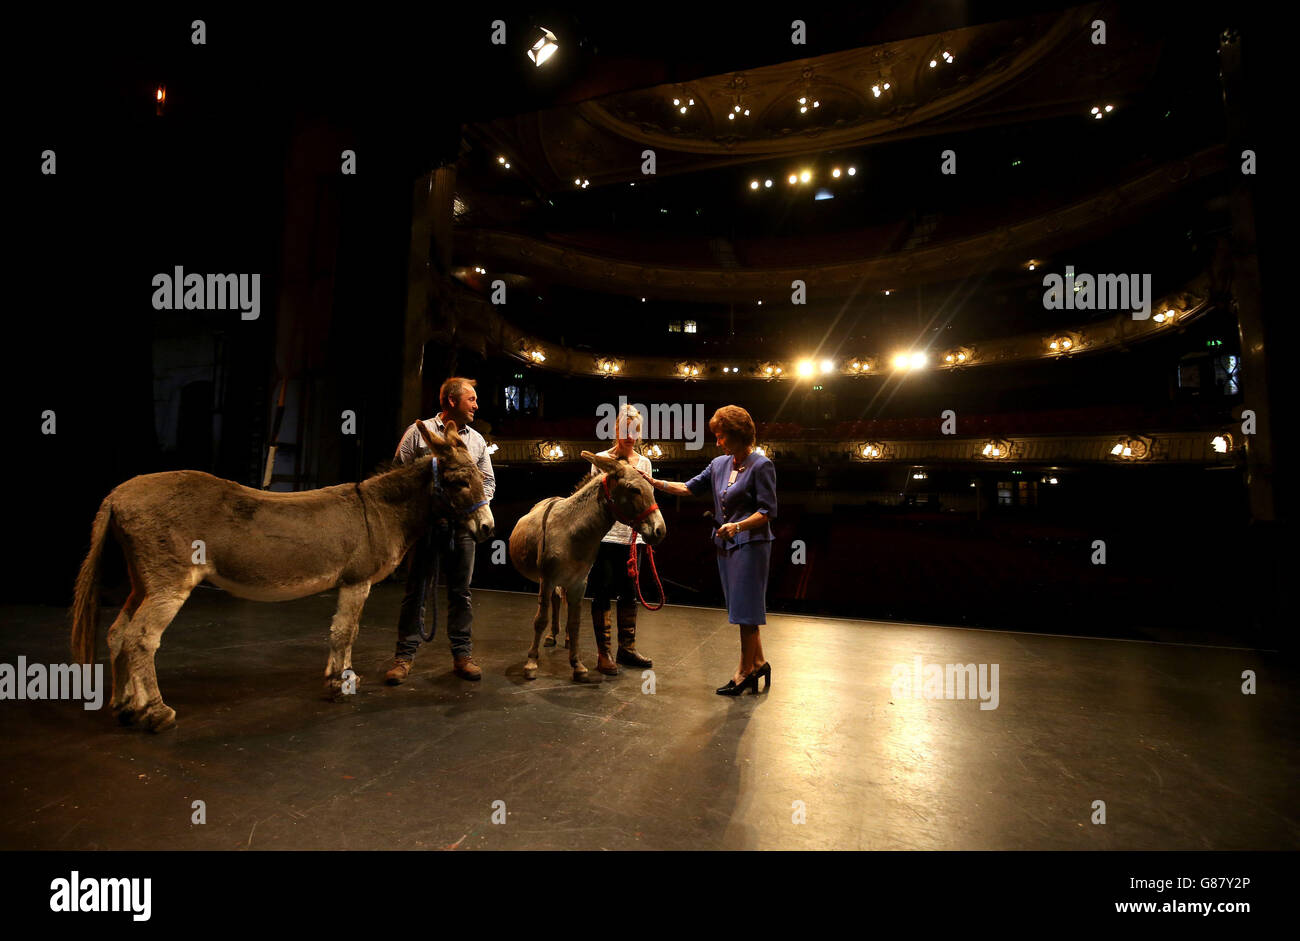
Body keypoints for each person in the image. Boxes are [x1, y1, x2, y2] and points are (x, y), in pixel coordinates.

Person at [642, 406, 775, 695]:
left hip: (752, 545)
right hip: (725, 545)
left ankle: (744, 672)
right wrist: (655, 483)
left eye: (721, 436)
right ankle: (760, 662)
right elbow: (689, 488)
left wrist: (737, 527)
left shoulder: (761, 465)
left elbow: (767, 511)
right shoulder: (718, 465)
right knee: (742, 607)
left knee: (746, 610)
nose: (717, 442)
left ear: (738, 435)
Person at [385, 377, 495, 683]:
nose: (476, 405)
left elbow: (487, 482)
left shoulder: (476, 441)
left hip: (461, 527)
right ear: (451, 401)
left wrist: (472, 509)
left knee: (461, 592)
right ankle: (403, 657)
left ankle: (462, 655)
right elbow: (399, 474)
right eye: (470, 399)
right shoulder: (416, 434)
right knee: (415, 591)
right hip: (426, 526)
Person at [586, 404, 654, 675]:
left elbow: (648, 502)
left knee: (629, 593)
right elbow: (595, 502)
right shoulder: (601, 459)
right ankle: (603, 654)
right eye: (625, 429)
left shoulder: (645, 463)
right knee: (602, 592)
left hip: (631, 541)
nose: (630, 435)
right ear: (616, 430)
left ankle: (626, 648)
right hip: (605, 539)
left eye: (635, 430)